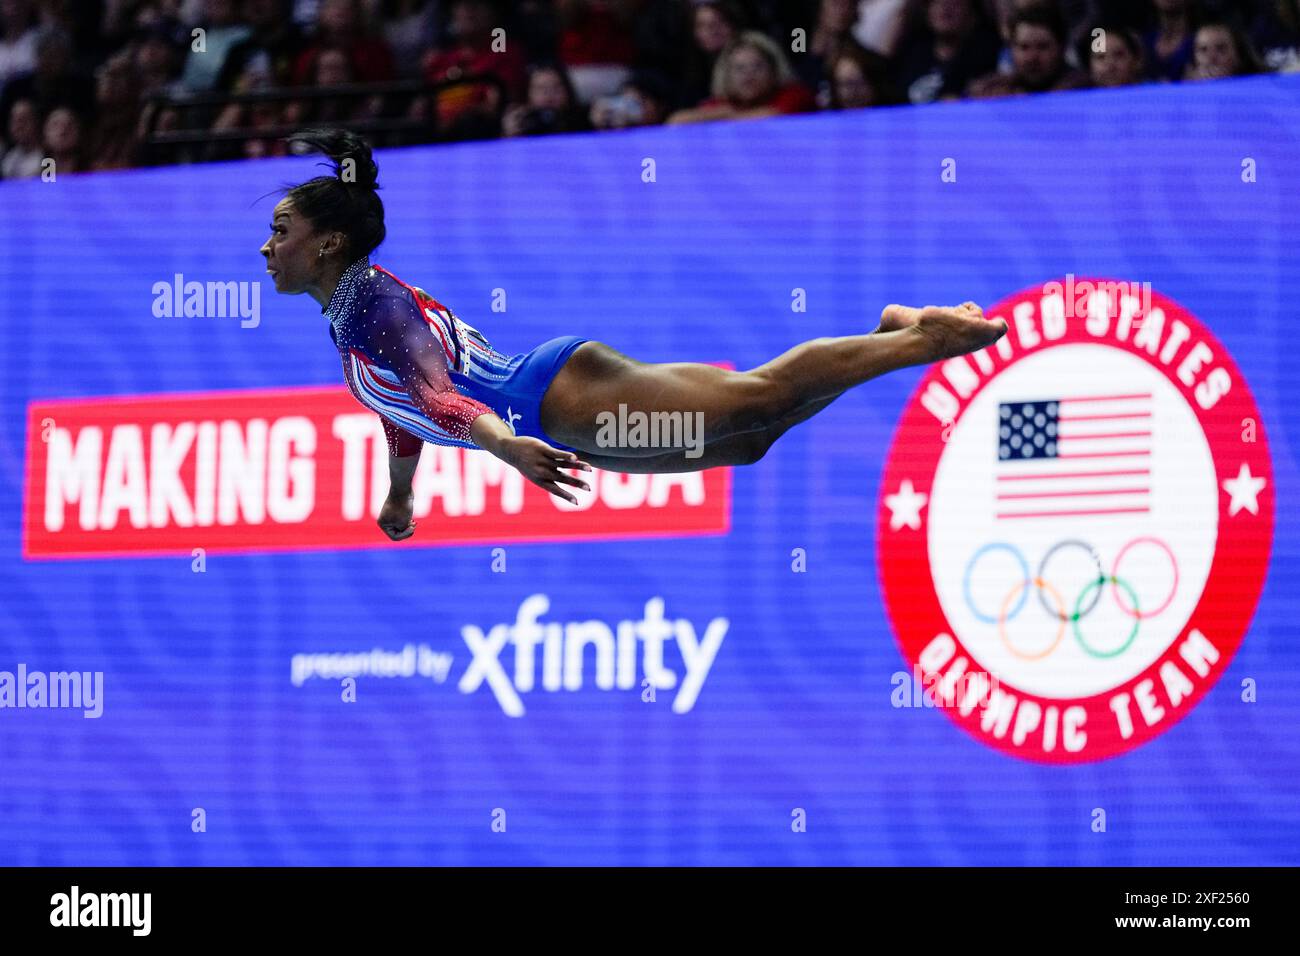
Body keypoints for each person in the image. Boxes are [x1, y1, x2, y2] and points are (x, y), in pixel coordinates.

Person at [260, 129, 1006, 540]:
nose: (267, 247)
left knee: (755, 399)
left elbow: (436, 393)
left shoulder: (374, 308)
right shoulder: (347, 314)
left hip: (557, 396)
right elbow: (406, 411)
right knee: (747, 441)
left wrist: (509, 445)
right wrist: (400, 494)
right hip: (557, 425)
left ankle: (923, 341)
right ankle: (885, 333)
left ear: (328, 244)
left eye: (281, 231)